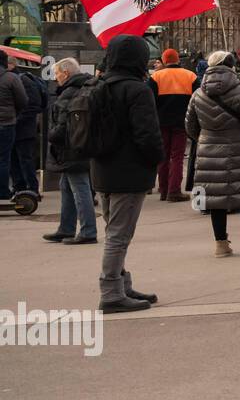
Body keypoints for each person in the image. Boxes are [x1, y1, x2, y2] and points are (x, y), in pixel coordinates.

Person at [90, 35, 164, 313]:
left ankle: (121, 284)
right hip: (129, 171)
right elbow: (147, 134)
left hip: (102, 169)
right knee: (119, 236)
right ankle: (111, 291)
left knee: (114, 232)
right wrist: (156, 160)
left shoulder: (98, 86)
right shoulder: (137, 89)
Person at [186, 51, 240, 258]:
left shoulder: (198, 94)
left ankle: (221, 244)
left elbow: (190, 127)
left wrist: (205, 139)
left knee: (214, 199)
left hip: (208, 149)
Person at [43, 58, 97, 244]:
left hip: (71, 148)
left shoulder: (70, 92)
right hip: (79, 146)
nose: (56, 77)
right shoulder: (85, 87)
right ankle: (66, 228)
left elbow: (63, 123)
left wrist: (51, 135)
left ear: (66, 73)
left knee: (80, 189)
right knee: (67, 187)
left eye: (57, 73)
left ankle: (88, 231)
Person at [148, 47, 198, 202]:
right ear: (178, 60)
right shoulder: (190, 76)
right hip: (181, 122)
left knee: (163, 156)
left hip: (161, 122)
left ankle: (163, 189)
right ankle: (174, 190)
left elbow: (150, 101)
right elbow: (197, 99)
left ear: (164, 61)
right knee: (177, 156)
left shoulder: (156, 77)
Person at [8, 61, 46, 195]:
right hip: (15, 128)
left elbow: (34, 105)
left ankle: (31, 189)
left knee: (25, 160)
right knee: (14, 160)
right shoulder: (14, 80)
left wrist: (15, 120)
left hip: (24, 130)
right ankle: (19, 187)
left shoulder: (24, 80)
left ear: (10, 64)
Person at [0, 49, 28, 201]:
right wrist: (14, 113)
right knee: (4, 159)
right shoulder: (11, 78)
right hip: (6, 124)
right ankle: (2, 191)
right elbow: (23, 101)